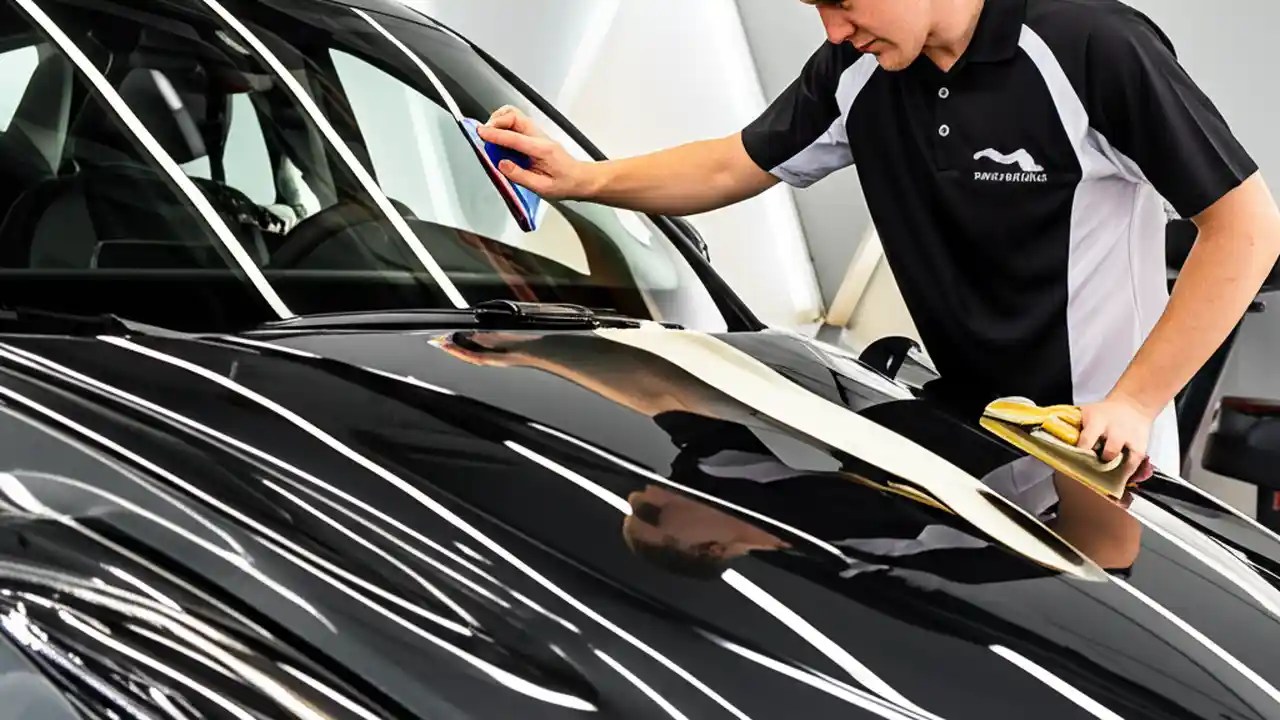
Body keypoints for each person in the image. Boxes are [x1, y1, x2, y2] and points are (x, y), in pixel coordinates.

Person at [474, 0, 1280, 481]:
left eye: (844, 0)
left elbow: (1246, 228)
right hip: (967, 437)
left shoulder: (1091, 46)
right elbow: (735, 163)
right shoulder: (855, 67)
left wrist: (1137, 404)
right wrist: (583, 178)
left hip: (1098, 452)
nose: (833, 27)